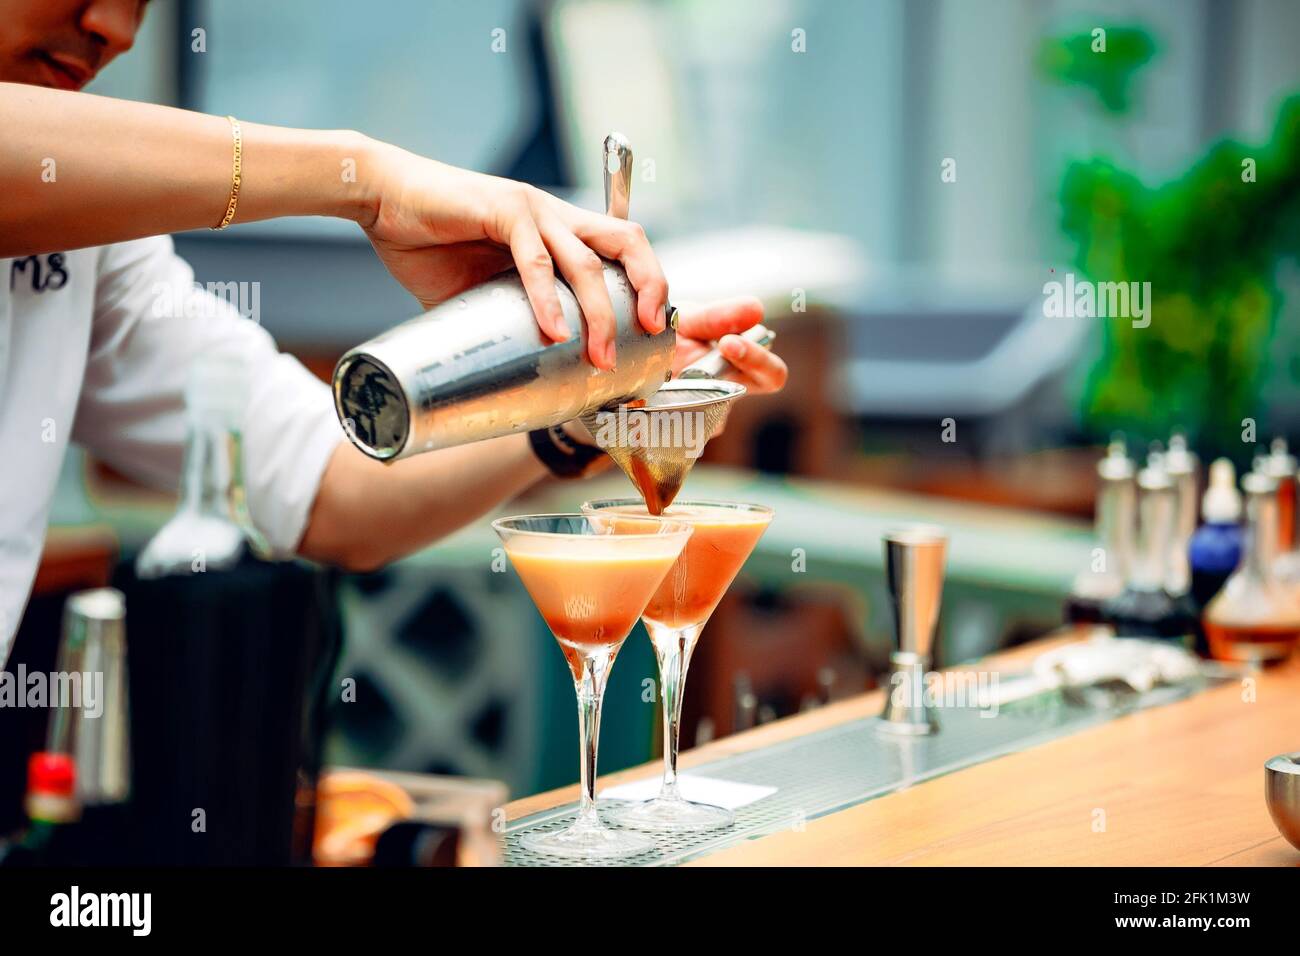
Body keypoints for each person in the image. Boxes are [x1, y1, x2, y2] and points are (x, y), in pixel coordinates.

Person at [0, 0, 787, 662]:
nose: (116, 25)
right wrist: (367, 181)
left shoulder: (92, 249)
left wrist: (578, 401)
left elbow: (334, 489)